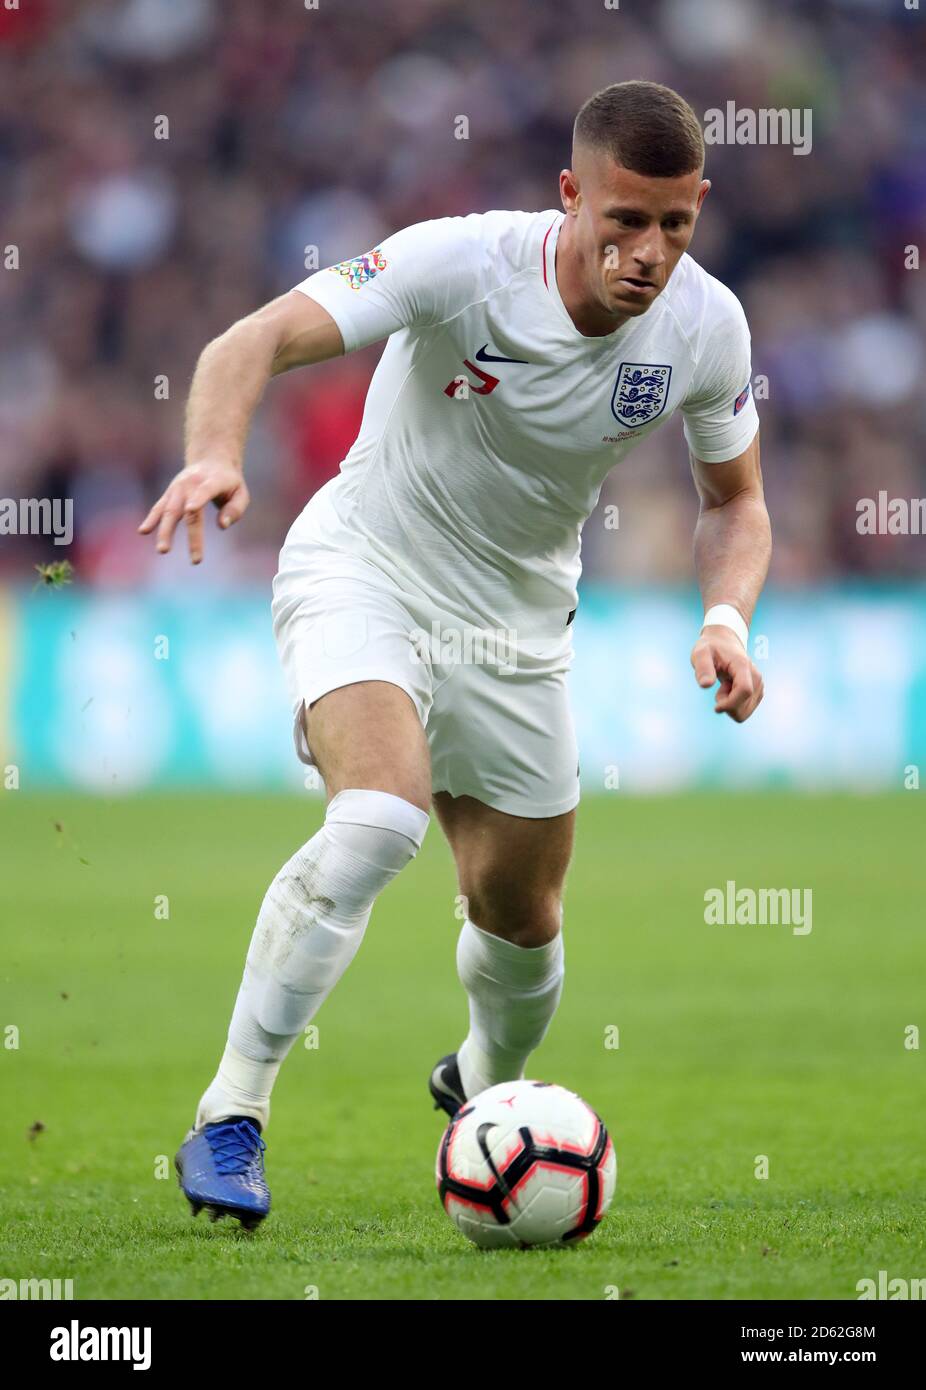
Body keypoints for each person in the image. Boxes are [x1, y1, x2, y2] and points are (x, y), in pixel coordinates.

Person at [140, 80, 769, 1228]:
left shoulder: (706, 327)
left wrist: (723, 618)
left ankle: (480, 1085)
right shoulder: (460, 264)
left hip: (521, 626)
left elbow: (733, 500)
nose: (646, 251)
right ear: (568, 195)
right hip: (365, 568)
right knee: (378, 817)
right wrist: (215, 453)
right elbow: (256, 336)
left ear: (698, 210)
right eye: (624, 219)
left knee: (522, 922)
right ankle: (231, 1114)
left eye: (673, 225)